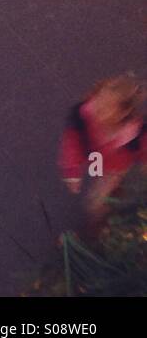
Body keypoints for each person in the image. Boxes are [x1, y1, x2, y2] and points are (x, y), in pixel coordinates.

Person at [59, 74, 146, 230]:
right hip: (97, 157)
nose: (98, 112)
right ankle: (111, 195)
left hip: (116, 167)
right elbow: (72, 141)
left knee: (95, 202)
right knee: (98, 175)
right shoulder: (84, 115)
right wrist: (72, 169)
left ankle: (98, 224)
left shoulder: (134, 133)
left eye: (106, 109)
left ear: (123, 113)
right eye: (98, 104)